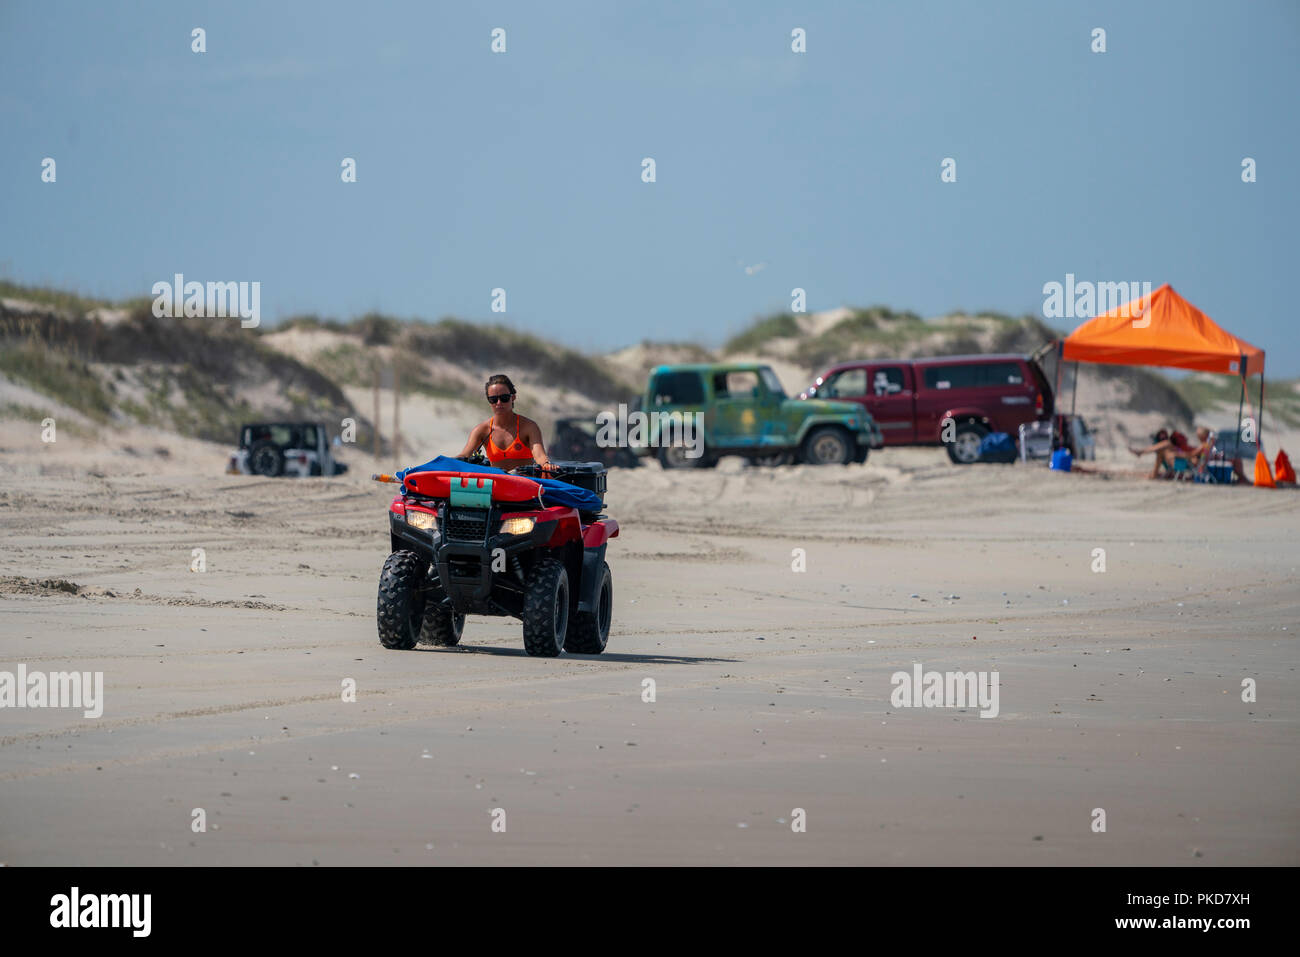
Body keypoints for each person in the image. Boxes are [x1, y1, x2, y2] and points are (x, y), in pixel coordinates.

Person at [457, 374, 556, 473]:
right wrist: (445, 462)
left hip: (524, 484)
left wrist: (546, 464)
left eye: (504, 398)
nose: (499, 403)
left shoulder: (529, 427)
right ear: (489, 401)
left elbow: (540, 456)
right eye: (493, 399)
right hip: (497, 485)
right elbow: (464, 456)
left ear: (513, 397)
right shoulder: (481, 430)